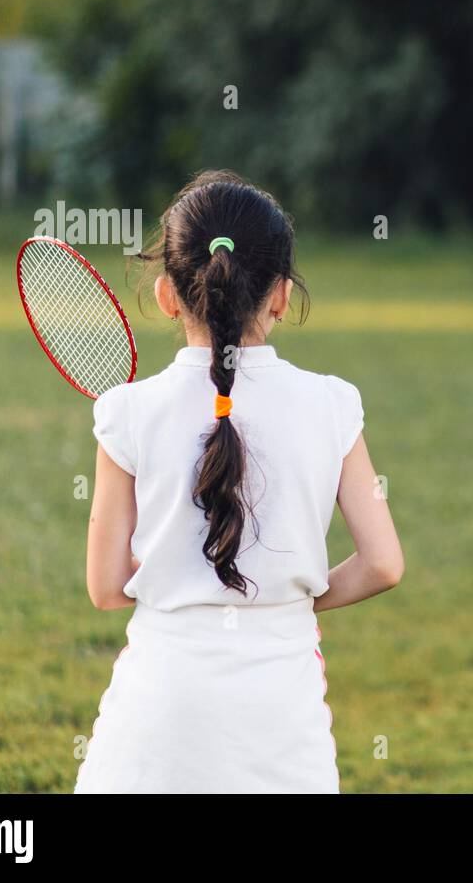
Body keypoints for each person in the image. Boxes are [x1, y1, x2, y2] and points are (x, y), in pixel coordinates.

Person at [77, 170, 404, 792]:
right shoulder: (332, 404)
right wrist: (288, 599)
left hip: (156, 723)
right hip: (284, 726)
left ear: (169, 294)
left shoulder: (126, 412)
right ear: (281, 295)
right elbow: (383, 563)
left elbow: (105, 586)